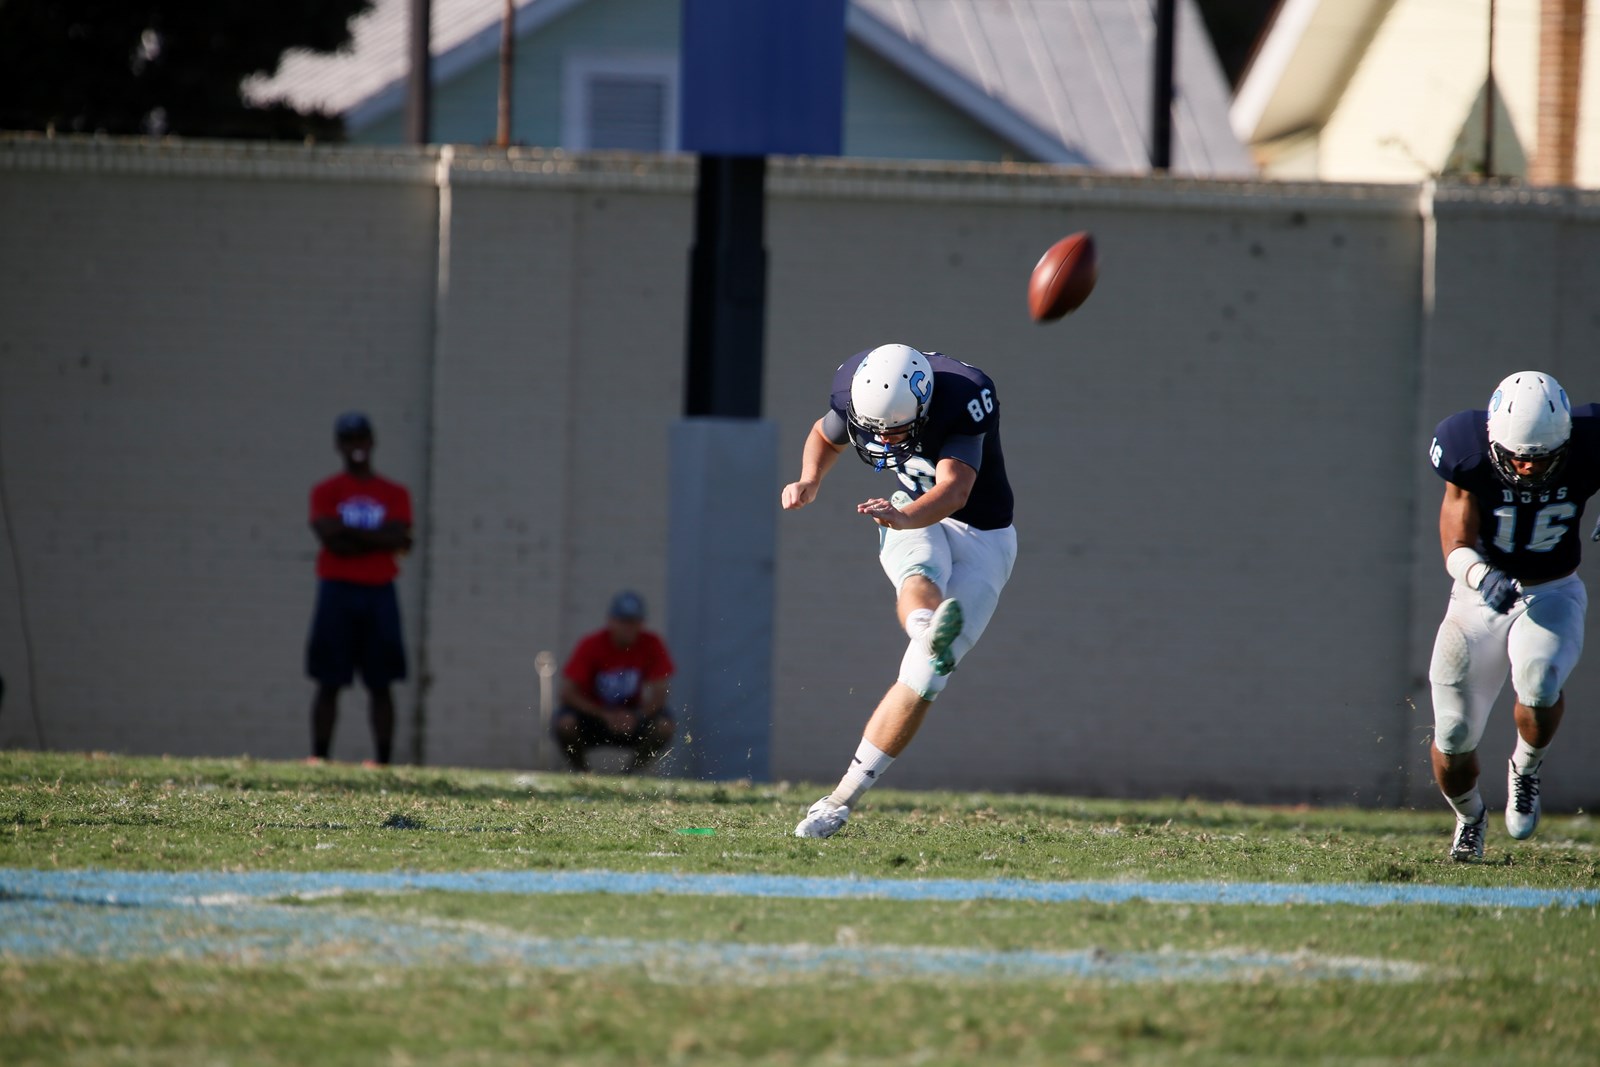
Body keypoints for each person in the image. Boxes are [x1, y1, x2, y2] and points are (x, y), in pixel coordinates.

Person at [781, 343, 1017, 838]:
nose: (883, 439)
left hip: (981, 534)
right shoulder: (856, 390)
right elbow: (825, 434)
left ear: (925, 406)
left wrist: (902, 516)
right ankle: (927, 627)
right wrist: (810, 479)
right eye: (875, 429)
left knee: (926, 676)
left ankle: (840, 800)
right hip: (908, 506)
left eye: (896, 430)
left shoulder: (964, 395)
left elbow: (954, 490)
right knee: (920, 575)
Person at [1426, 370, 1600, 861]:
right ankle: (1469, 817)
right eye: (1518, 456)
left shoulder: (1591, 441)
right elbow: (1454, 543)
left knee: (1541, 680)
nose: (1526, 467)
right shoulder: (1465, 448)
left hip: (1552, 590)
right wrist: (1484, 578)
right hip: (1477, 594)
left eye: (1541, 458)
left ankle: (1525, 768)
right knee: (1454, 736)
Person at [305, 412, 414, 766]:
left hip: (379, 591)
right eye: (349, 439)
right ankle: (320, 756)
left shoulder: (395, 493)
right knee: (328, 680)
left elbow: (401, 537)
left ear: (372, 442)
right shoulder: (325, 491)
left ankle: (382, 761)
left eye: (362, 438)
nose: (356, 446)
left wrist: (348, 533)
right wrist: (380, 539)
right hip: (337, 590)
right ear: (339, 445)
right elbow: (329, 539)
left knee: (381, 682)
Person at [551, 591, 677, 773]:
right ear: (610, 621)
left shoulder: (651, 643)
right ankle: (582, 774)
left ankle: (632, 775)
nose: (628, 628)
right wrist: (604, 715)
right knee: (565, 723)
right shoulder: (591, 644)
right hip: (594, 716)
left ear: (641, 624)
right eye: (622, 621)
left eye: (633, 622)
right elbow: (566, 693)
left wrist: (637, 716)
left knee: (665, 725)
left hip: (633, 716)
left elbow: (660, 693)